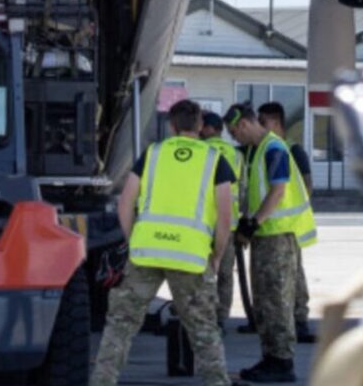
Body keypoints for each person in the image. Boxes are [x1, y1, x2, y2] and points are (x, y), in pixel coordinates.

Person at [92, 100, 235, 386]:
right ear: (200, 127)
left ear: (171, 126)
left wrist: (136, 241)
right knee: (204, 330)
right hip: (191, 257)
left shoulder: (152, 155)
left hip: (146, 253)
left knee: (121, 326)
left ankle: (102, 381)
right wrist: (216, 255)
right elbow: (224, 215)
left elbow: (125, 203)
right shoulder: (214, 160)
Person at [225, 102, 317, 383]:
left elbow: (278, 191)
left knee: (276, 301)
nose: (234, 138)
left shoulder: (273, 148)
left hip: (277, 237)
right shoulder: (255, 151)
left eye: (233, 133)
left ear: (243, 125)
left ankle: (281, 363)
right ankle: (271, 357)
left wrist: (253, 223)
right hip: (267, 237)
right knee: (264, 301)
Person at [257, 102, 317, 344]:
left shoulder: (290, 150)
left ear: (275, 122)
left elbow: (307, 186)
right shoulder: (266, 148)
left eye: (263, 122)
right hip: (277, 225)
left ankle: (299, 320)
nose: (260, 127)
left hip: (289, 225)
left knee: (294, 277)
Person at [200, 111, 244, 326]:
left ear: (209, 129)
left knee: (201, 272)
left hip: (203, 223)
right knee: (226, 275)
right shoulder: (236, 154)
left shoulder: (202, 151)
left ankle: (203, 316)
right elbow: (242, 190)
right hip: (230, 224)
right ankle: (221, 318)